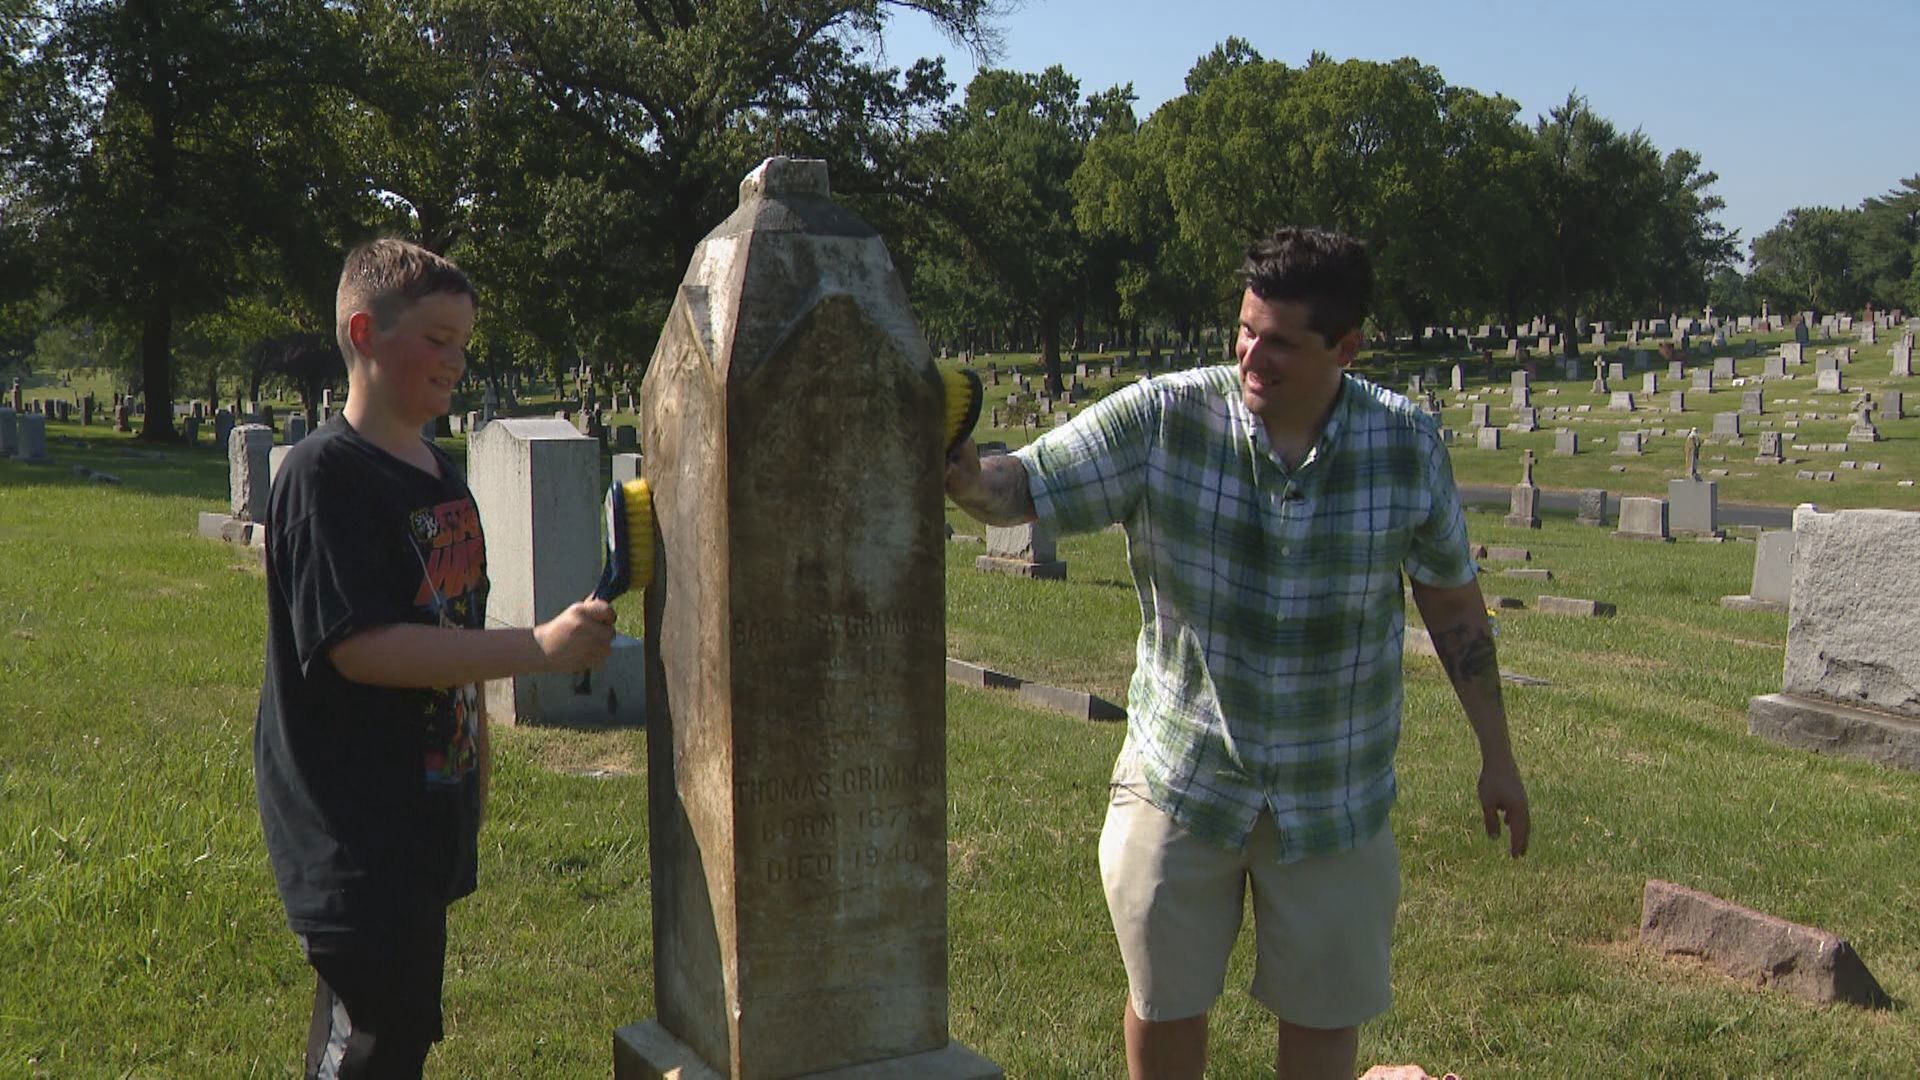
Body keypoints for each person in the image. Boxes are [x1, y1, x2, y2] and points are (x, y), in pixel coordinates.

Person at [945, 227, 1529, 1080]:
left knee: (1323, 1022)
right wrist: (968, 480)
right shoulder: (1165, 417)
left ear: (1346, 348)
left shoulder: (1405, 445)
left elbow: (1453, 608)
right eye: (1246, 330)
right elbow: (1032, 482)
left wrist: (1497, 756)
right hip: (1183, 778)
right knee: (1164, 1002)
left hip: (1335, 794)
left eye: (1281, 342)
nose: (1252, 355)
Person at [255, 238, 617, 1079]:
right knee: (367, 1044)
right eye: (436, 338)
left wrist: (474, 772)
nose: (456, 360)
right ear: (364, 334)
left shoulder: (438, 476)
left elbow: (454, 632)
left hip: (427, 814)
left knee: (403, 1032)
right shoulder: (324, 476)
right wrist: (537, 648)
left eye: (463, 342)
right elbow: (361, 649)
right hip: (353, 829)